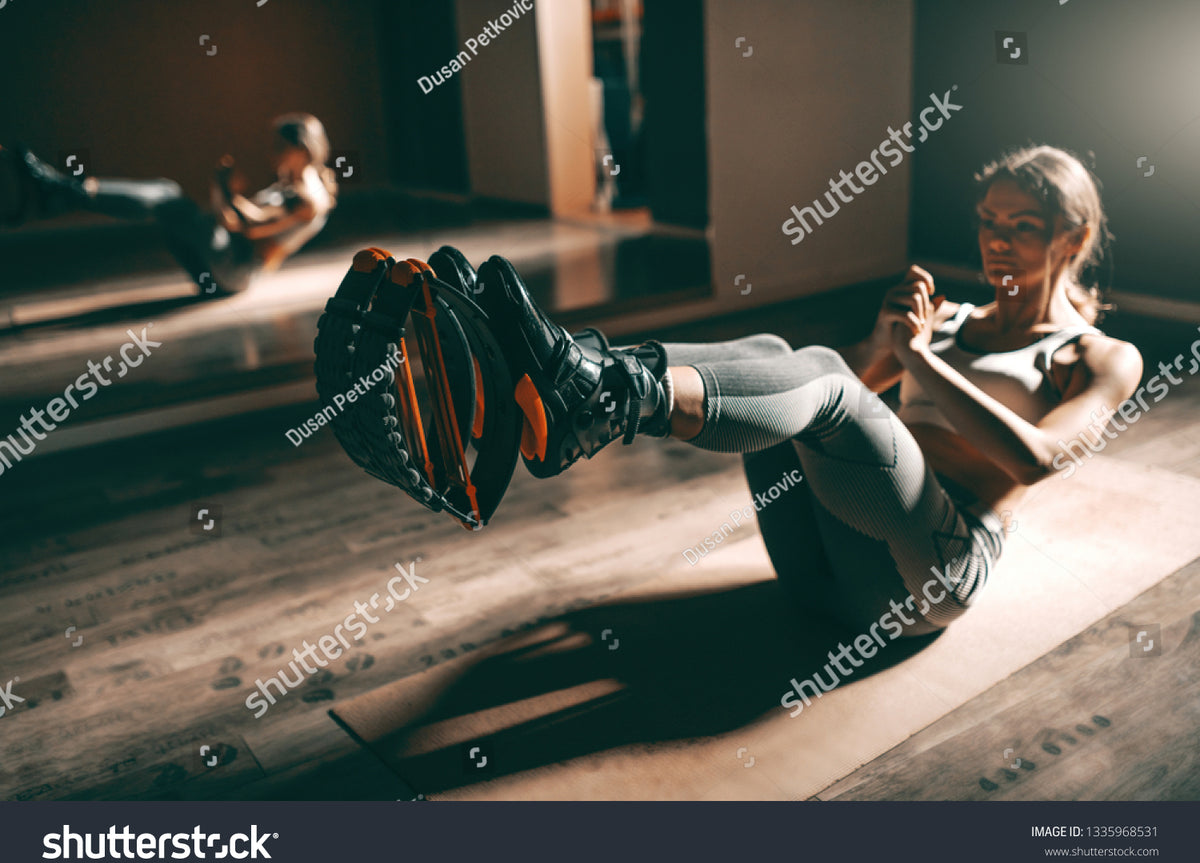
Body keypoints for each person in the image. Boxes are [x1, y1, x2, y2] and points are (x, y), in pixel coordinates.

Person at [467, 144, 1143, 636]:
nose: (997, 241)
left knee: (821, 381)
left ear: (1073, 237)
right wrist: (886, 345)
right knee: (777, 357)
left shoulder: (1100, 355)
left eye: (1022, 226)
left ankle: (600, 392)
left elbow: (1038, 459)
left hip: (929, 575)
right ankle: (576, 374)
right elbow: (814, 377)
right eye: (989, 221)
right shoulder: (948, 318)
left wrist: (920, 361)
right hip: (823, 563)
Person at [0, 113, 337, 296]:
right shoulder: (293, 186)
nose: (273, 152)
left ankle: (56, 190)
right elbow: (232, 218)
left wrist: (222, 186)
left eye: (281, 146)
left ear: (303, 150)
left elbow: (241, 226)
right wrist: (223, 191)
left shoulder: (309, 199)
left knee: (171, 200)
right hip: (221, 262)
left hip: (234, 271)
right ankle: (59, 193)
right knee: (165, 194)